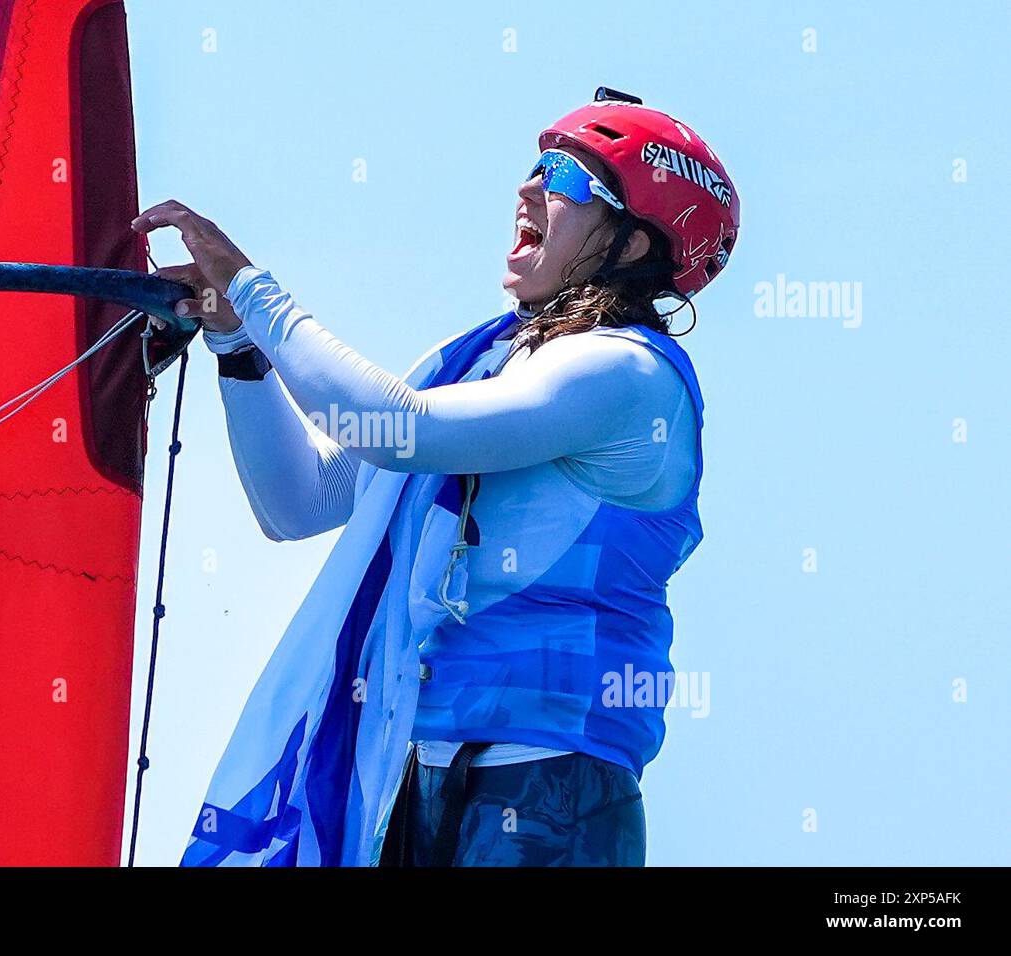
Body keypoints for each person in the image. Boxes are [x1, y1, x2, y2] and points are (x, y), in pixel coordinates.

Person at [136, 87, 739, 867]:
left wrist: (254, 290)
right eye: (536, 166)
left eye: (566, 179)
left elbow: (398, 428)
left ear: (630, 248)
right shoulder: (492, 361)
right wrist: (237, 343)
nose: (529, 188)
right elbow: (298, 500)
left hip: (549, 784)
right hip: (416, 768)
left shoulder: (627, 373)